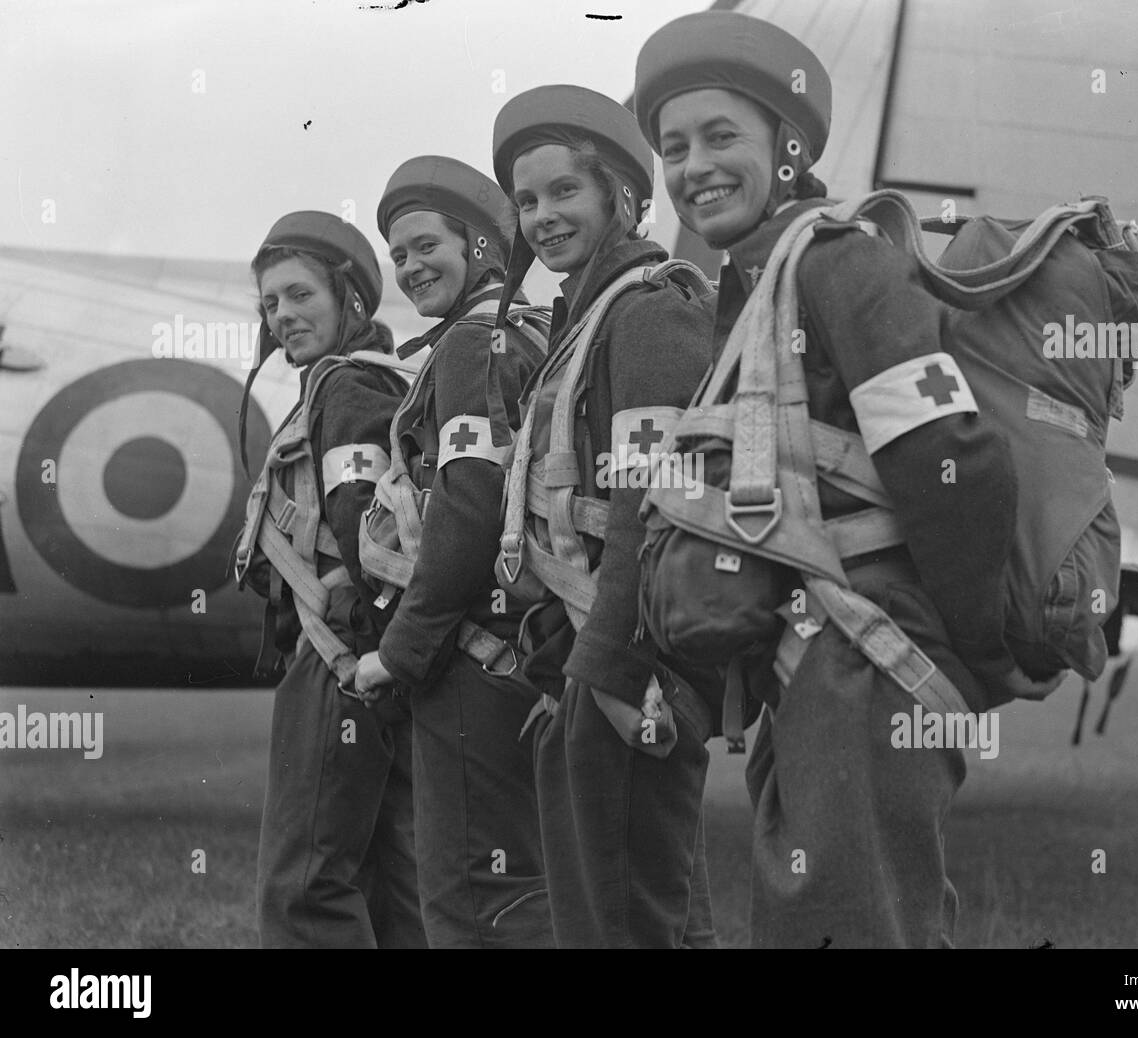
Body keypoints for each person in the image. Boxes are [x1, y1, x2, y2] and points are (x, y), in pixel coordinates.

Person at [635, 10, 1031, 948]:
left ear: (790, 147)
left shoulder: (843, 265)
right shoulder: (760, 282)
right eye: (673, 146)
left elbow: (955, 462)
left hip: (872, 663)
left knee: (847, 925)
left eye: (722, 135)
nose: (694, 167)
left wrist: (976, 647)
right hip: (816, 666)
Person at [490, 84, 719, 948]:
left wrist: (613, 672)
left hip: (630, 658)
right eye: (525, 200)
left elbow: (652, 505)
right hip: (592, 650)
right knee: (638, 912)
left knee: (620, 921)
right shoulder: (589, 317)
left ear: (622, 197)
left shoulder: (650, 313)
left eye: (563, 192)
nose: (541, 217)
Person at [350, 156, 553, 947]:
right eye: (398, 255)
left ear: (481, 248)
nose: (409, 267)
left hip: (473, 661)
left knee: (475, 899)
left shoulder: (472, 345)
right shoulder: (534, 332)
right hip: (526, 647)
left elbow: (468, 505)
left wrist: (398, 654)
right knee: (530, 883)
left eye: (426, 245)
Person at [234, 211, 424, 948]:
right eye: (270, 305)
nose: (282, 317)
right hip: (375, 658)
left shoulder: (345, 389)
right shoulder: (368, 379)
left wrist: (362, 655)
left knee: (304, 885)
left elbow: (364, 534)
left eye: (298, 296)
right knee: (387, 876)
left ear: (348, 298)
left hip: (341, 655)